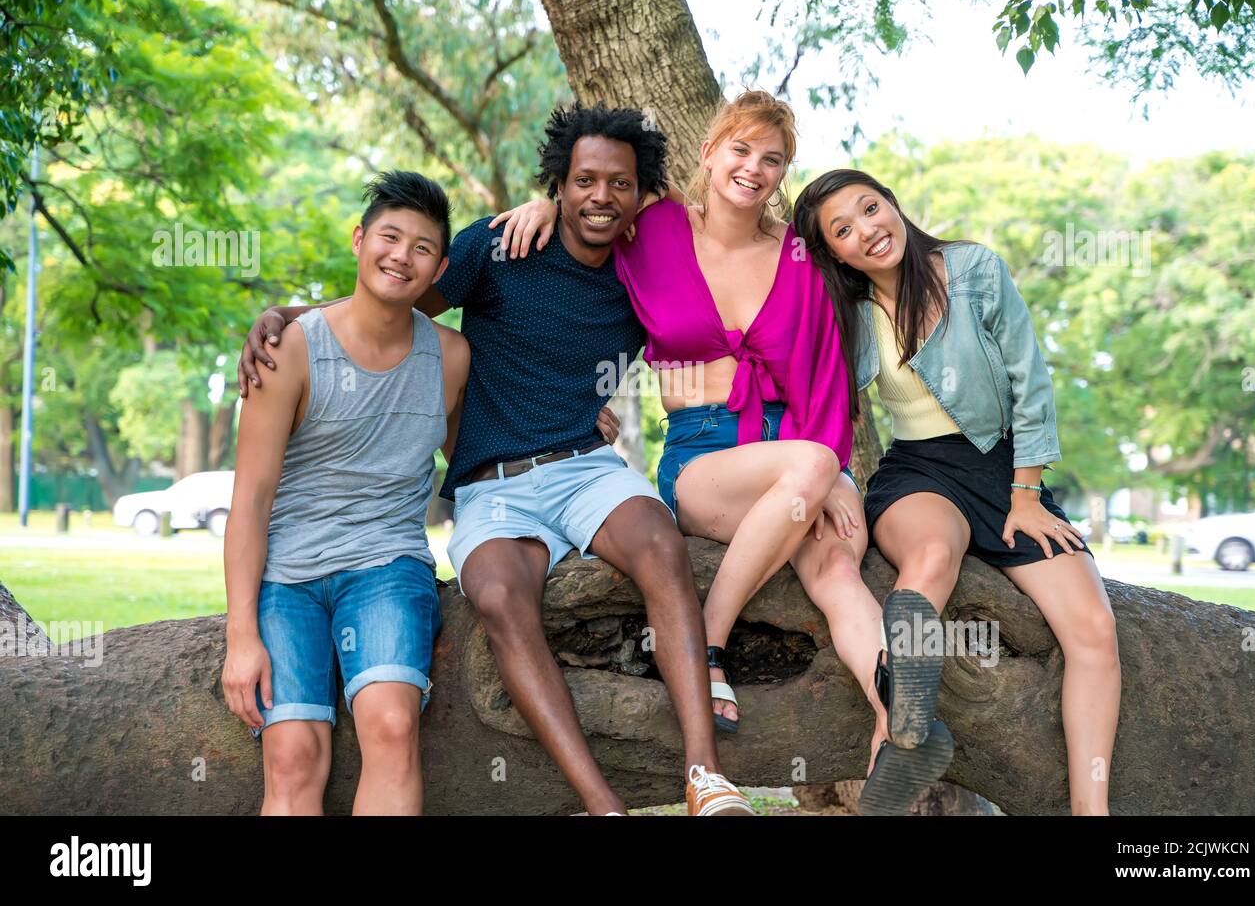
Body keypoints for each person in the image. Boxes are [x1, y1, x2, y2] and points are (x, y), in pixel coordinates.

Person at [237, 104, 754, 816]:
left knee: (660, 540)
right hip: (494, 482)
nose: (600, 196)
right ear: (560, 184)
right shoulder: (501, 246)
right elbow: (391, 296)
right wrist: (291, 317)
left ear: (641, 196)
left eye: (619, 184)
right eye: (583, 181)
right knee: (501, 596)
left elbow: (725, 288)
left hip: (585, 467)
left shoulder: (644, 272)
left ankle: (704, 773)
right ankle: (605, 808)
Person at [495, 91, 952, 815]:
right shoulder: (654, 228)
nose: (754, 168)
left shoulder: (799, 256)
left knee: (837, 563)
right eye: (741, 150)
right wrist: (545, 207)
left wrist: (829, 466)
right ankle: (708, 642)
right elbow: (590, 216)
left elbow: (828, 371)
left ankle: (903, 718)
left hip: (795, 455)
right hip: (707, 458)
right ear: (709, 153)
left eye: (772, 159)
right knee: (809, 478)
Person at [793, 168, 1121, 815]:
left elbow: (1031, 382)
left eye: (870, 207)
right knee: (931, 559)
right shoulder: (849, 313)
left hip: (1006, 473)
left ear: (892, 203)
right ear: (834, 251)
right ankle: (903, 729)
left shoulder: (973, 269)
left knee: (1094, 628)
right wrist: (819, 477)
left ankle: (1092, 809)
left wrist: (1026, 493)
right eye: (843, 229)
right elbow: (825, 403)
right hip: (918, 473)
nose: (867, 229)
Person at [221, 171, 469, 814]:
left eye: (422, 248)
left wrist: (585, 413)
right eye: (389, 236)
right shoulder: (290, 351)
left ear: (440, 266)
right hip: (290, 575)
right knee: (292, 754)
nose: (401, 256)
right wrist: (241, 636)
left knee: (390, 725)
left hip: (386, 566)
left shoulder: (451, 358)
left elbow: (481, 450)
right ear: (359, 241)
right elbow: (248, 500)